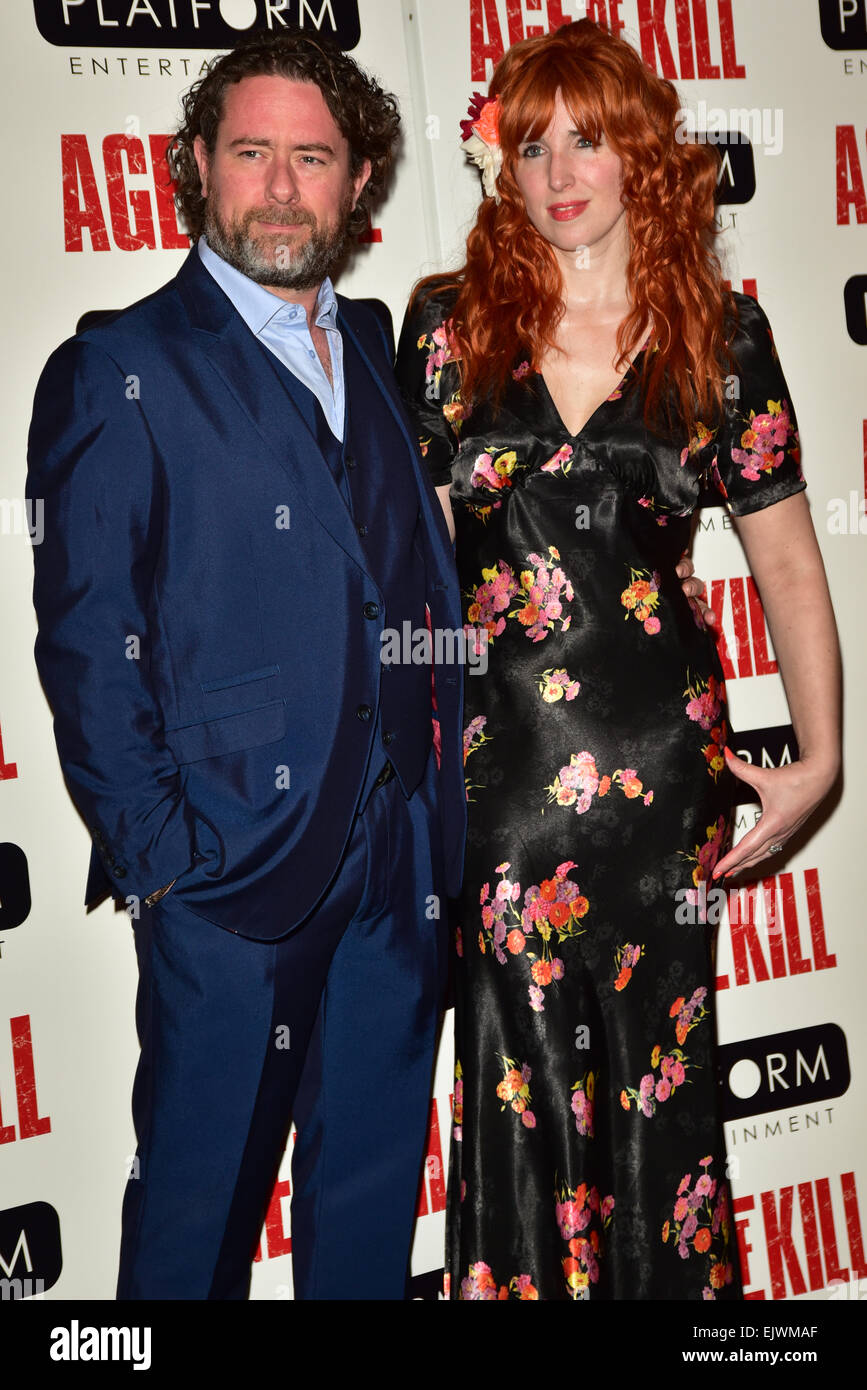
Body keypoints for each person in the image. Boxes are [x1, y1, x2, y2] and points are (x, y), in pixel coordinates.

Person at [395, 18, 840, 1300]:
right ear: (503, 168)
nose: (559, 169)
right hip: (498, 795)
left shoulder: (721, 341)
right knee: (513, 1093)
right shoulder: (445, 328)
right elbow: (409, 564)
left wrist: (817, 762)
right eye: (532, 144)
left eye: (587, 137)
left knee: (664, 1099)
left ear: (642, 151)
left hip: (666, 792)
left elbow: (793, 568)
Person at [25, 30, 469, 1301]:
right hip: (227, 879)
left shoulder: (380, 348)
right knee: (192, 1229)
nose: (281, 188)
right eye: (253, 154)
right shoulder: (120, 370)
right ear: (199, 169)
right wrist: (167, 862)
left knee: (369, 1215)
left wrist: (433, 813)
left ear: (359, 176)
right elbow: (85, 648)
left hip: (398, 873)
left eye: (313, 158)